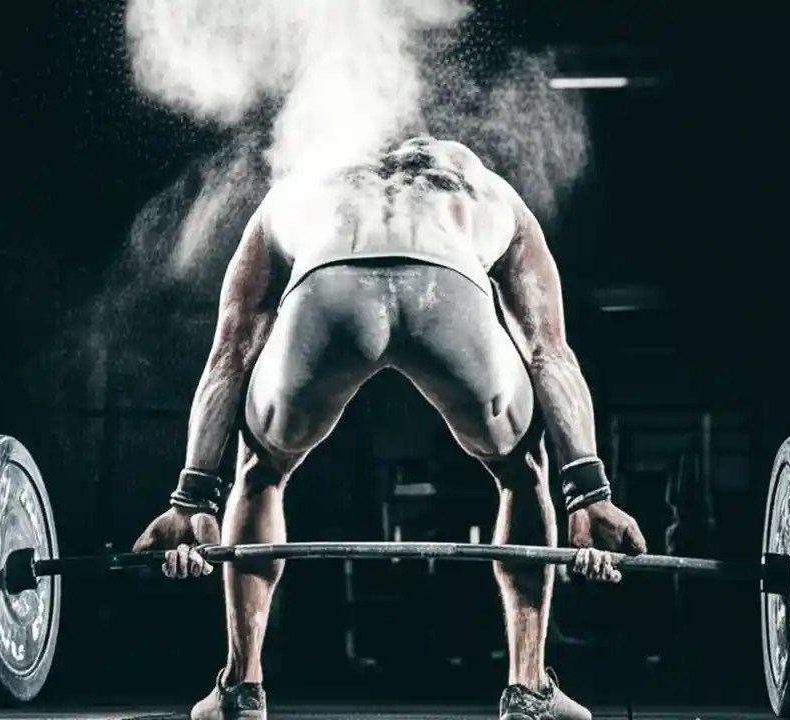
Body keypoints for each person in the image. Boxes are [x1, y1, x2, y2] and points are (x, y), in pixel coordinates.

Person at [133, 136, 648, 720]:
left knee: (261, 466)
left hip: (328, 284)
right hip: (447, 282)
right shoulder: (483, 186)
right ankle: (527, 691)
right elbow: (549, 354)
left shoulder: (301, 186)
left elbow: (229, 355)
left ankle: (241, 689)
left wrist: (192, 498)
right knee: (522, 465)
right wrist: (590, 496)